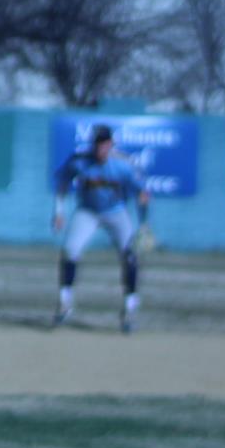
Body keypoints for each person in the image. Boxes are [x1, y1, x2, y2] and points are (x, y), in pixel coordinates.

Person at [50, 123, 149, 332]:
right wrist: (59, 212)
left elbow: (142, 193)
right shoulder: (79, 161)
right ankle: (65, 303)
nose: (101, 149)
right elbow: (62, 183)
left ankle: (130, 308)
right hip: (88, 211)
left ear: (111, 144)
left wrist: (143, 223)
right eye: (98, 144)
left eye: (105, 144)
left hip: (116, 211)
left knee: (130, 255)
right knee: (70, 250)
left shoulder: (123, 164)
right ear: (92, 145)